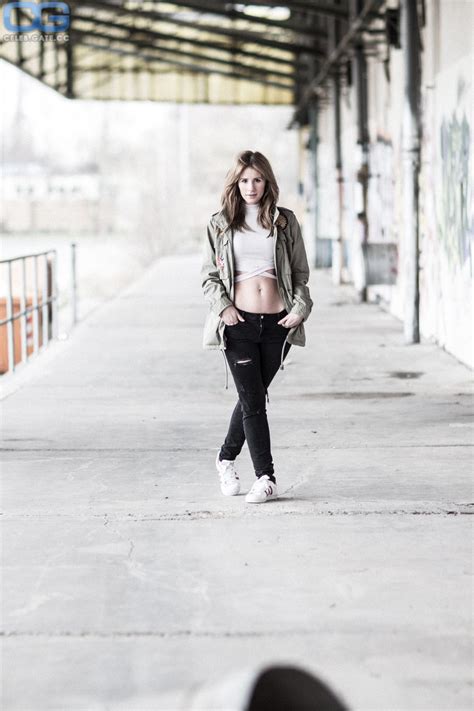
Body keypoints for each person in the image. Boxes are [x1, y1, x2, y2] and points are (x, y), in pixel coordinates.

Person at [201, 150, 313, 503]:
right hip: (238, 324)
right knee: (254, 401)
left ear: (267, 182)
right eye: (244, 180)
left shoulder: (284, 221)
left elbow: (299, 274)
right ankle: (266, 477)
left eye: (258, 180)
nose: (251, 187)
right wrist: (224, 307)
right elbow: (209, 278)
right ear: (235, 184)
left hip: (279, 324)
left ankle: (225, 458)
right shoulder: (220, 223)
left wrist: (300, 308)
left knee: (252, 397)